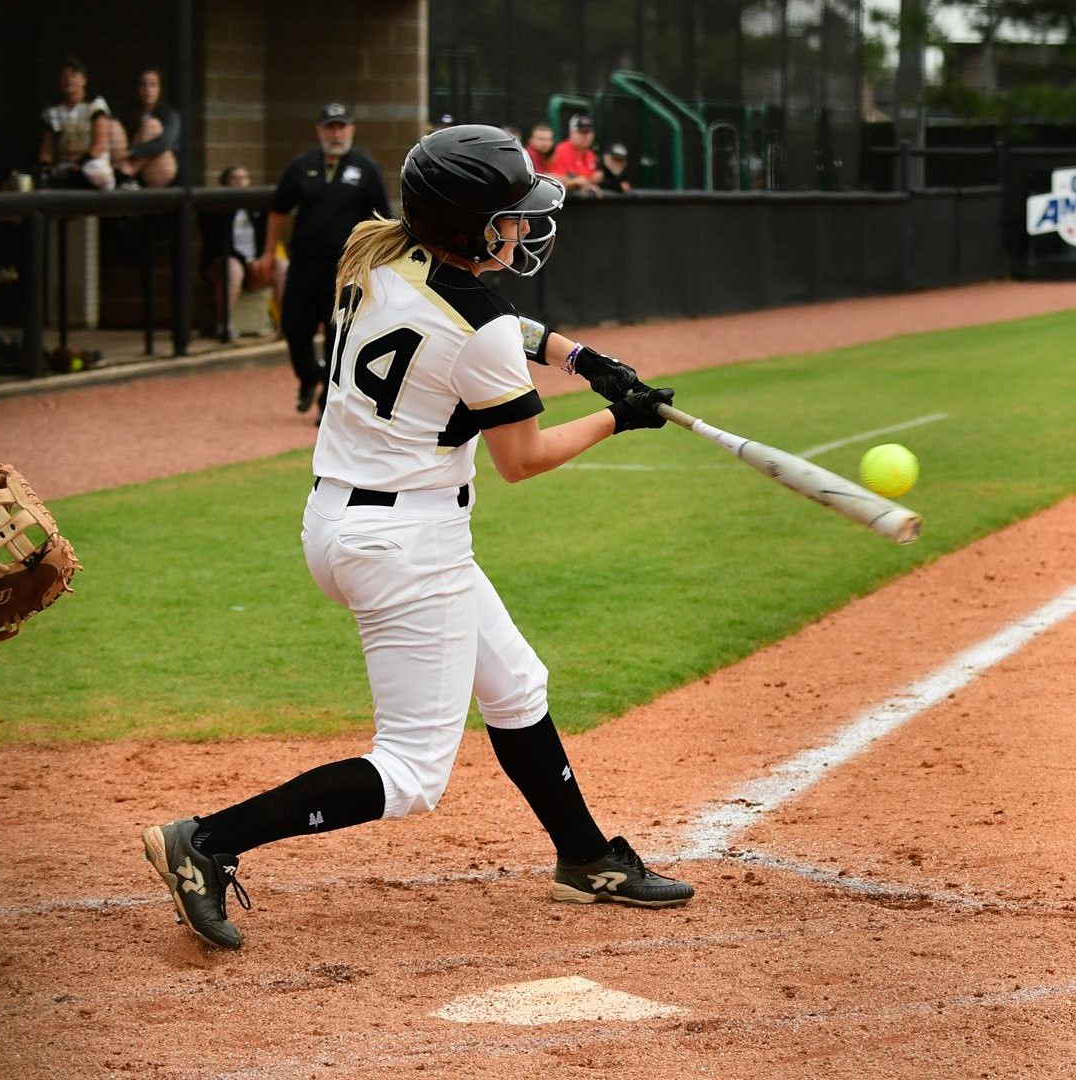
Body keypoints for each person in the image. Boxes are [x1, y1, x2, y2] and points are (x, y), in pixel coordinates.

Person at [142, 124, 693, 951]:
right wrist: (620, 416)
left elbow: (489, 319)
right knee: (409, 771)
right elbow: (523, 457)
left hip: (342, 521)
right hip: (409, 545)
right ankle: (208, 842)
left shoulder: (376, 260)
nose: (521, 228)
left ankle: (586, 858)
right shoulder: (480, 327)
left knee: (514, 684)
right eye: (508, 216)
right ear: (469, 225)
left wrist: (582, 359)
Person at [254, 103, 390, 415]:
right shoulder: (301, 166)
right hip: (303, 263)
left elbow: (381, 219)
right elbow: (278, 209)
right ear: (319, 130)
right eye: (330, 127)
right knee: (294, 327)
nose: (336, 133)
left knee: (336, 333)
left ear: (352, 129)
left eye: (342, 126)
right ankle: (308, 377)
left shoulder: (366, 168)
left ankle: (326, 401)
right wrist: (268, 253)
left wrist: (377, 263)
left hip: (344, 267)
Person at [201, 164, 285, 341]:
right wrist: (246, 261)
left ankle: (286, 325)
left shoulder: (258, 208)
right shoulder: (214, 209)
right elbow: (218, 244)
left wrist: (262, 258)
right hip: (228, 263)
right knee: (233, 268)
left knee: (283, 266)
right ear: (225, 184)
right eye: (234, 178)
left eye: (244, 178)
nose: (240, 182)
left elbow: (266, 237)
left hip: (255, 262)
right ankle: (225, 325)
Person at [38, 57, 120, 191]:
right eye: (65, 76)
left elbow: (99, 145)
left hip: (92, 163)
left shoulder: (96, 105)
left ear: (84, 79)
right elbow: (47, 148)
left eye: (74, 75)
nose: (69, 80)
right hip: (65, 164)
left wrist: (79, 164)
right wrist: (44, 169)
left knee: (99, 173)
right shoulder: (52, 111)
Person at [115, 68, 180, 189]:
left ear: (160, 89)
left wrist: (132, 151)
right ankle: (129, 175)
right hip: (137, 168)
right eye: (143, 85)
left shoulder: (170, 114)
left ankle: (129, 173)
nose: (148, 90)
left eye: (153, 85)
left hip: (161, 167)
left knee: (152, 125)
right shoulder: (129, 112)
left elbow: (164, 143)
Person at [547, 114, 600, 195]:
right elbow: (556, 181)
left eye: (589, 132)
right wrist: (575, 182)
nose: (586, 136)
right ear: (572, 133)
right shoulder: (561, 150)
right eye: (582, 132)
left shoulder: (591, 154)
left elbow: (589, 179)